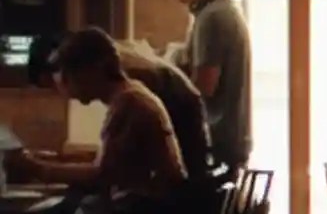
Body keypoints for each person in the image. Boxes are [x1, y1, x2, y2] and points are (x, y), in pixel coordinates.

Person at [28, 31, 213, 181]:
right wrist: (56, 159)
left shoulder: (128, 97)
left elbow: (105, 173)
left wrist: (40, 170)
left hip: (167, 197)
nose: (63, 90)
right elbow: (117, 155)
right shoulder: (125, 84)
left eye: (66, 78)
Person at [154, 0, 252, 175]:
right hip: (231, 143)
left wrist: (166, 73)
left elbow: (203, 87)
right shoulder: (224, 10)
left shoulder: (212, 18)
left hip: (218, 145)